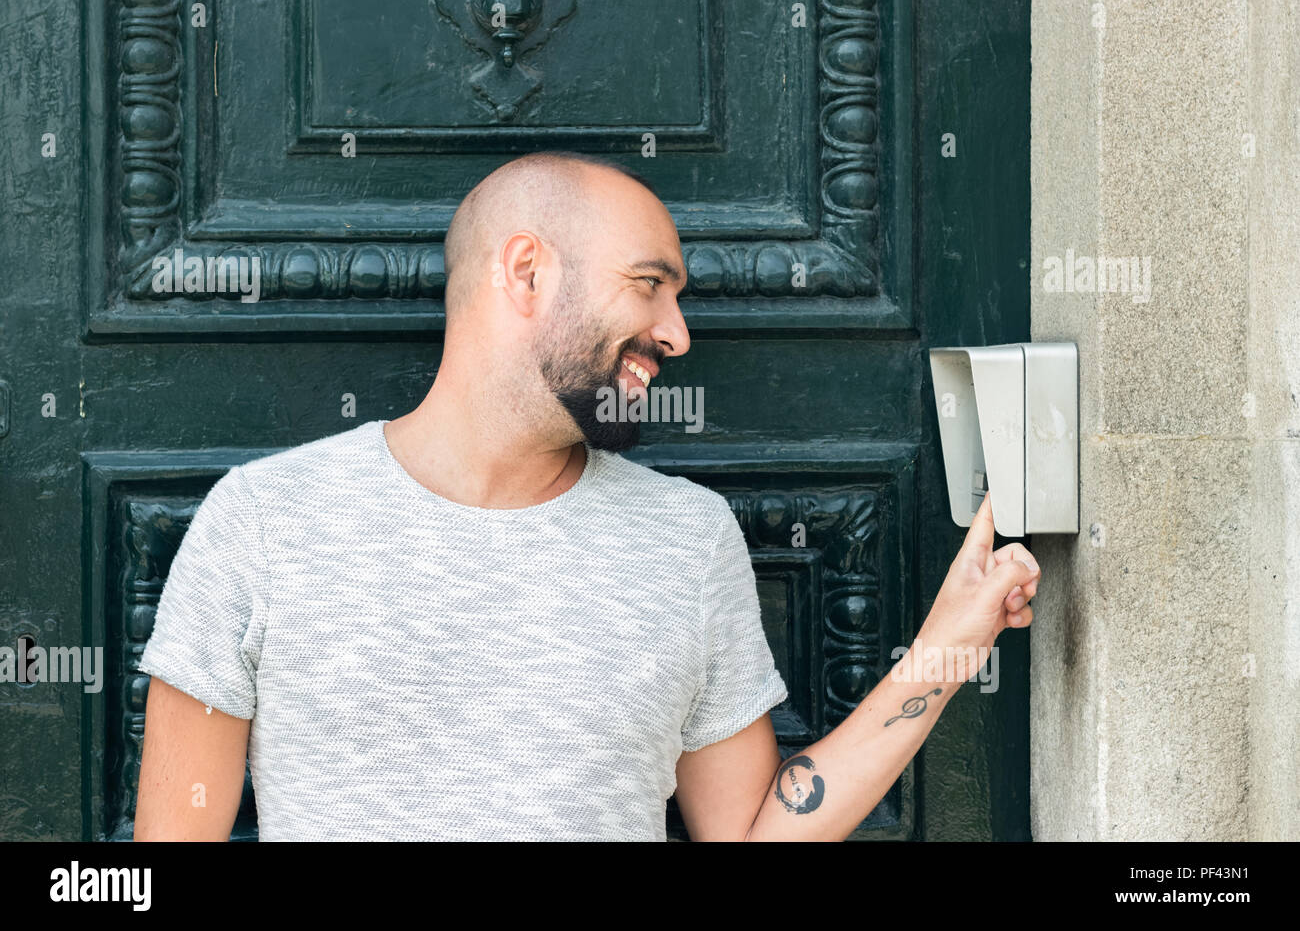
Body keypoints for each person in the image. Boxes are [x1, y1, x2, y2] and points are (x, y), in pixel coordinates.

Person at [133, 151, 1040, 841]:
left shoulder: (686, 541)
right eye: (650, 285)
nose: (677, 333)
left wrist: (947, 648)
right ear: (525, 271)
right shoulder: (264, 524)